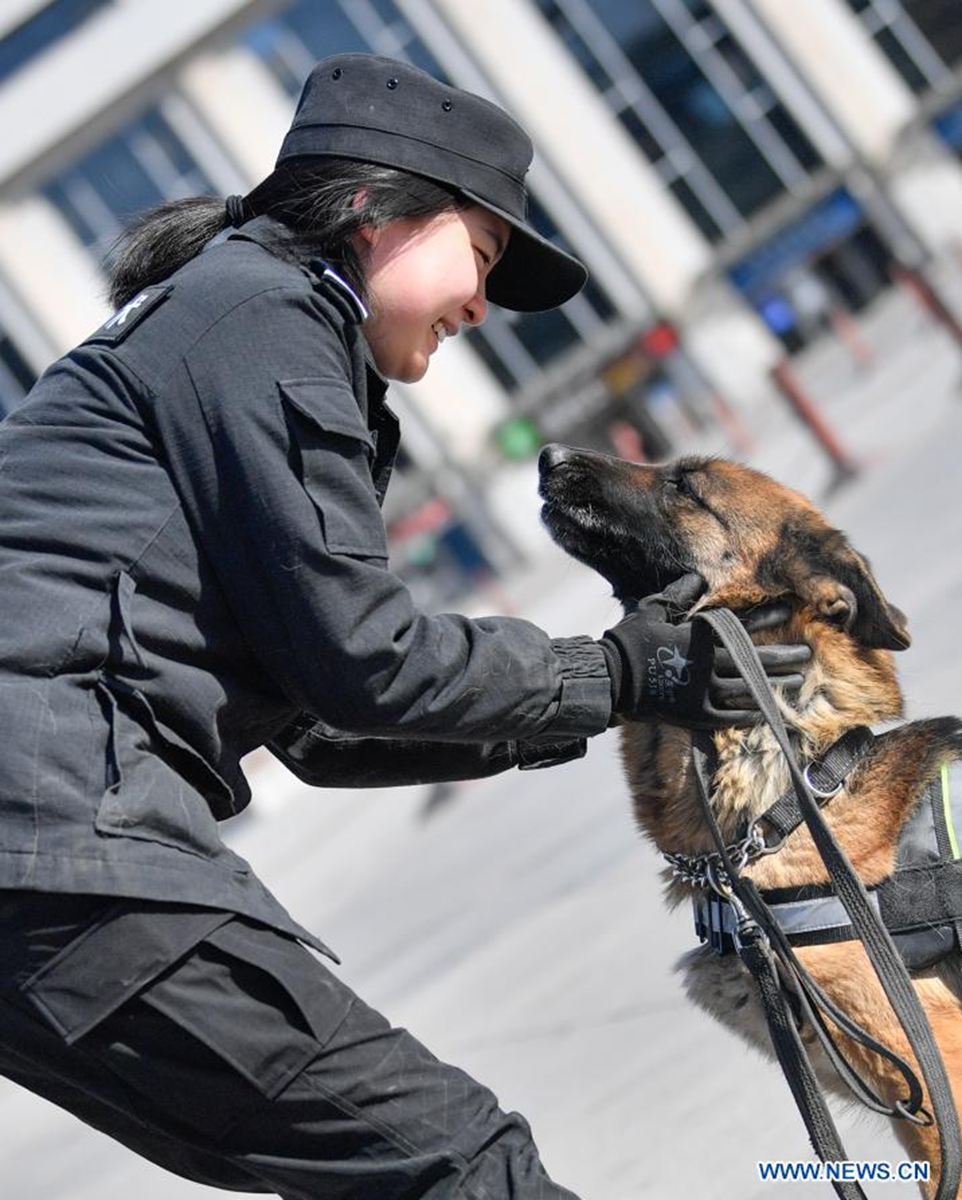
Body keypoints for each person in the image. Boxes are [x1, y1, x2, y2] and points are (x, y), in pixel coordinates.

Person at [0, 54, 809, 1199]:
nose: (480, 303)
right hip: (58, 838)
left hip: (35, 861)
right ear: (372, 212)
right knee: (456, 1165)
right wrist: (613, 674)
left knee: (382, 1174)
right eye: (478, 256)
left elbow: (322, 725)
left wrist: (616, 684)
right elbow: (363, 660)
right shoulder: (265, 309)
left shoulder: (228, 317)